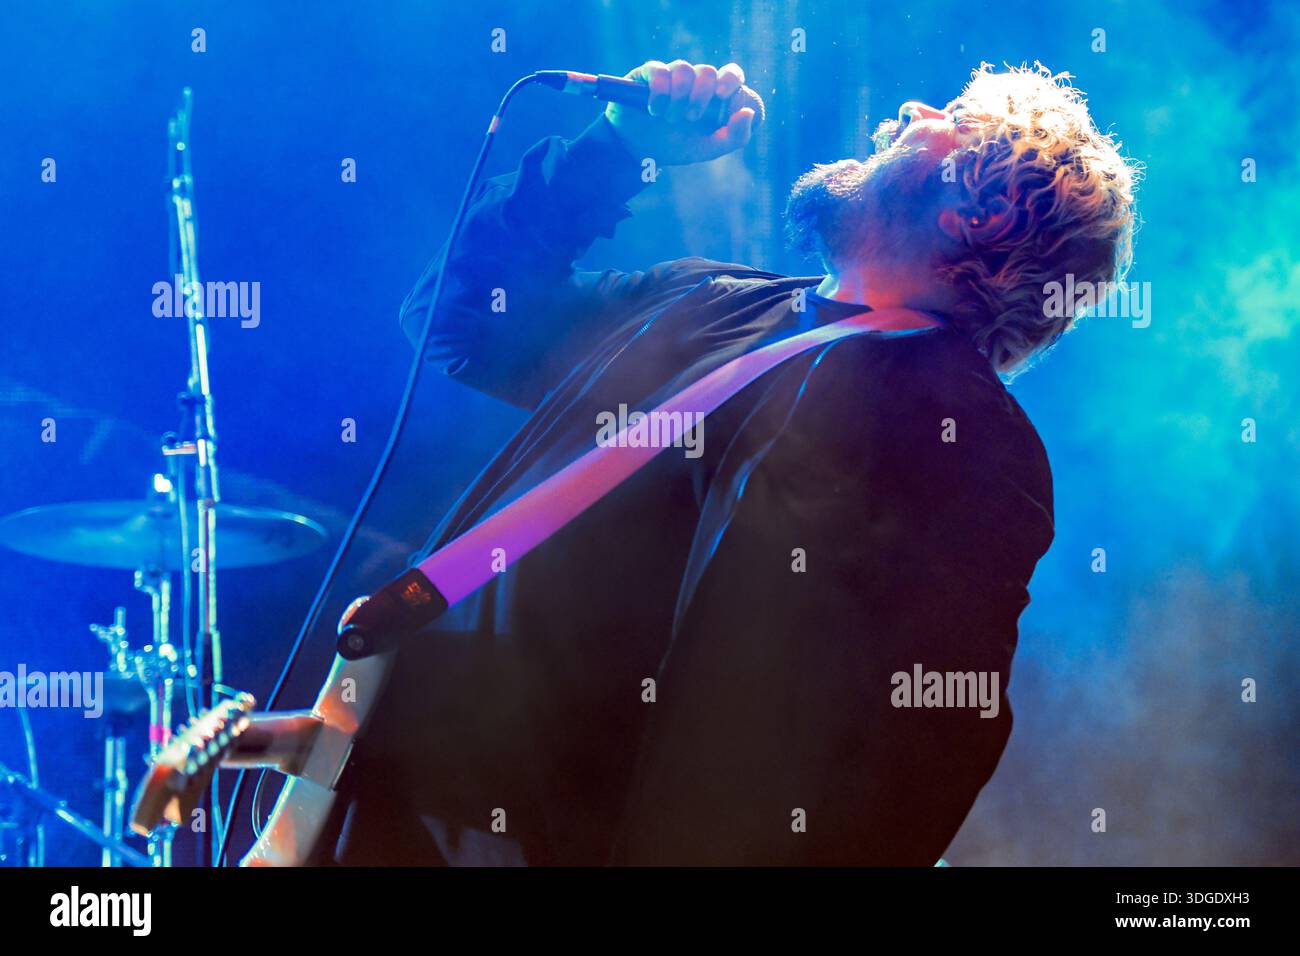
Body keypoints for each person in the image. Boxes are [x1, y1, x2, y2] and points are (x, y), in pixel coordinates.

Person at [330, 59, 1138, 865]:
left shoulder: (972, 438)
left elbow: (906, 763)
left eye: (954, 114)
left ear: (981, 210)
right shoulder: (705, 298)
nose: (909, 102)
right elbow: (457, 321)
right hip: (395, 812)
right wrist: (615, 150)